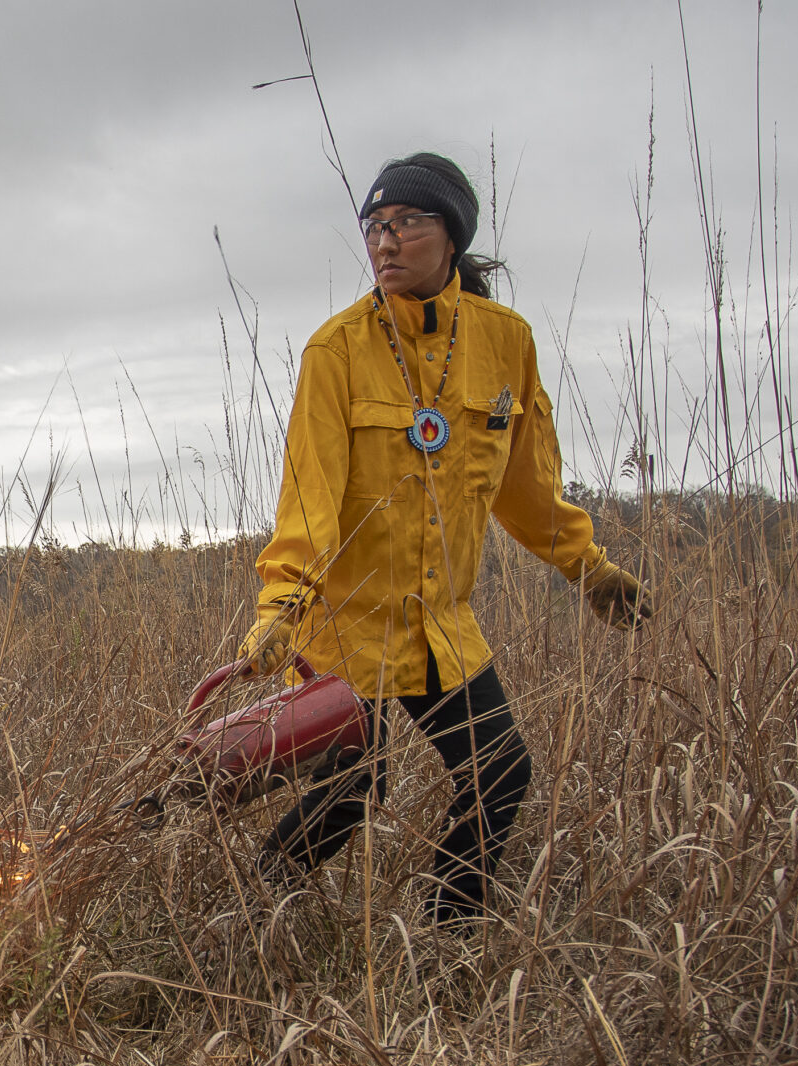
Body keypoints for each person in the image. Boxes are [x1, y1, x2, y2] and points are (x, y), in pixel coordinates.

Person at [243, 151, 648, 924]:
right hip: (347, 623)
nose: (385, 243)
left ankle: (447, 933)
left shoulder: (505, 342)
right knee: (357, 783)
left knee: (500, 771)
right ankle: (266, 894)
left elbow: (527, 488)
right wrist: (282, 604)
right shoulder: (336, 351)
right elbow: (310, 497)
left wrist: (588, 569)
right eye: (374, 227)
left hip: (439, 624)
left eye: (406, 224)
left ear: (452, 234)